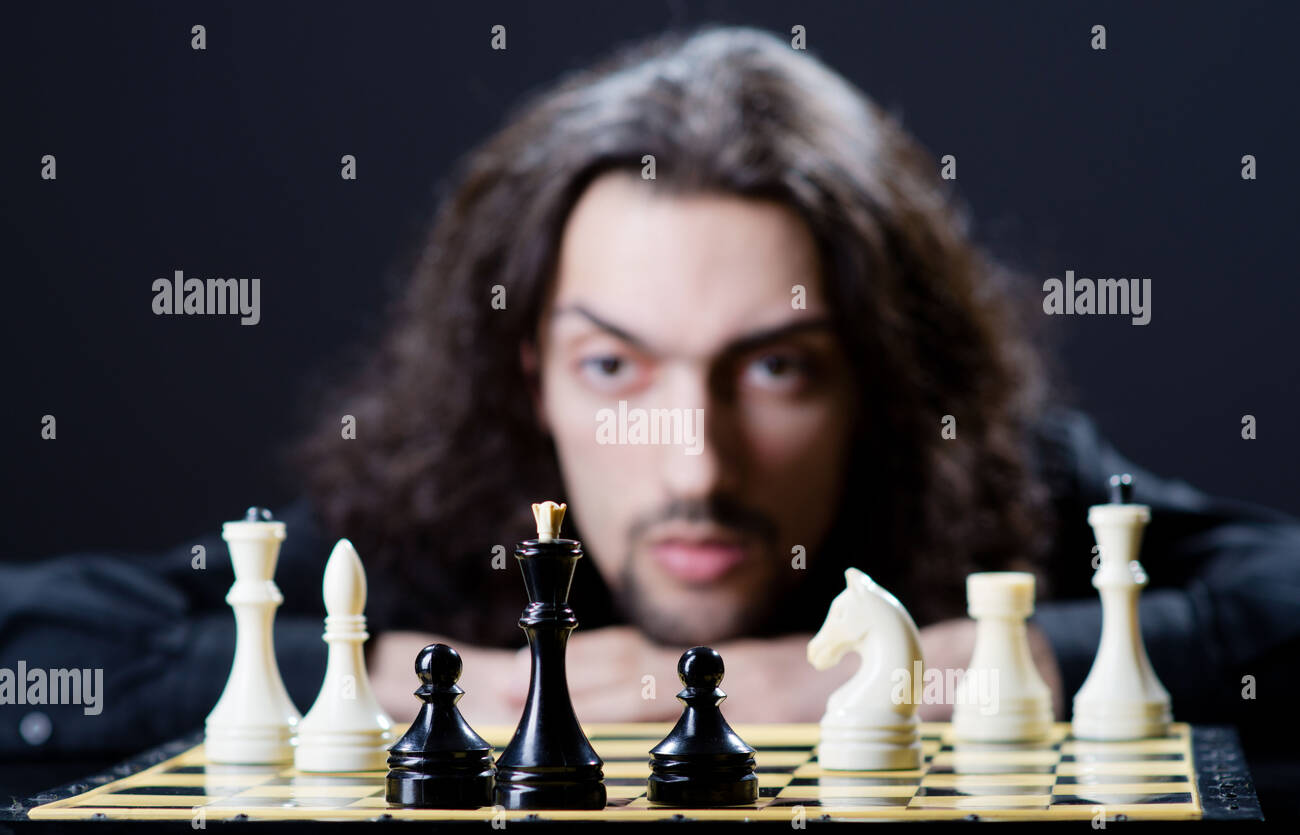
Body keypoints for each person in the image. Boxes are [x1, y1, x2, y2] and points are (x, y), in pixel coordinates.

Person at [3, 27, 1297, 758]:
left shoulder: (1009, 491)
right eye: (615, 366)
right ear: (531, 380)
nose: (693, 464)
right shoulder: (413, 537)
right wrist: (449, 685)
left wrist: (980, 664)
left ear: (880, 383)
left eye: (778, 368)